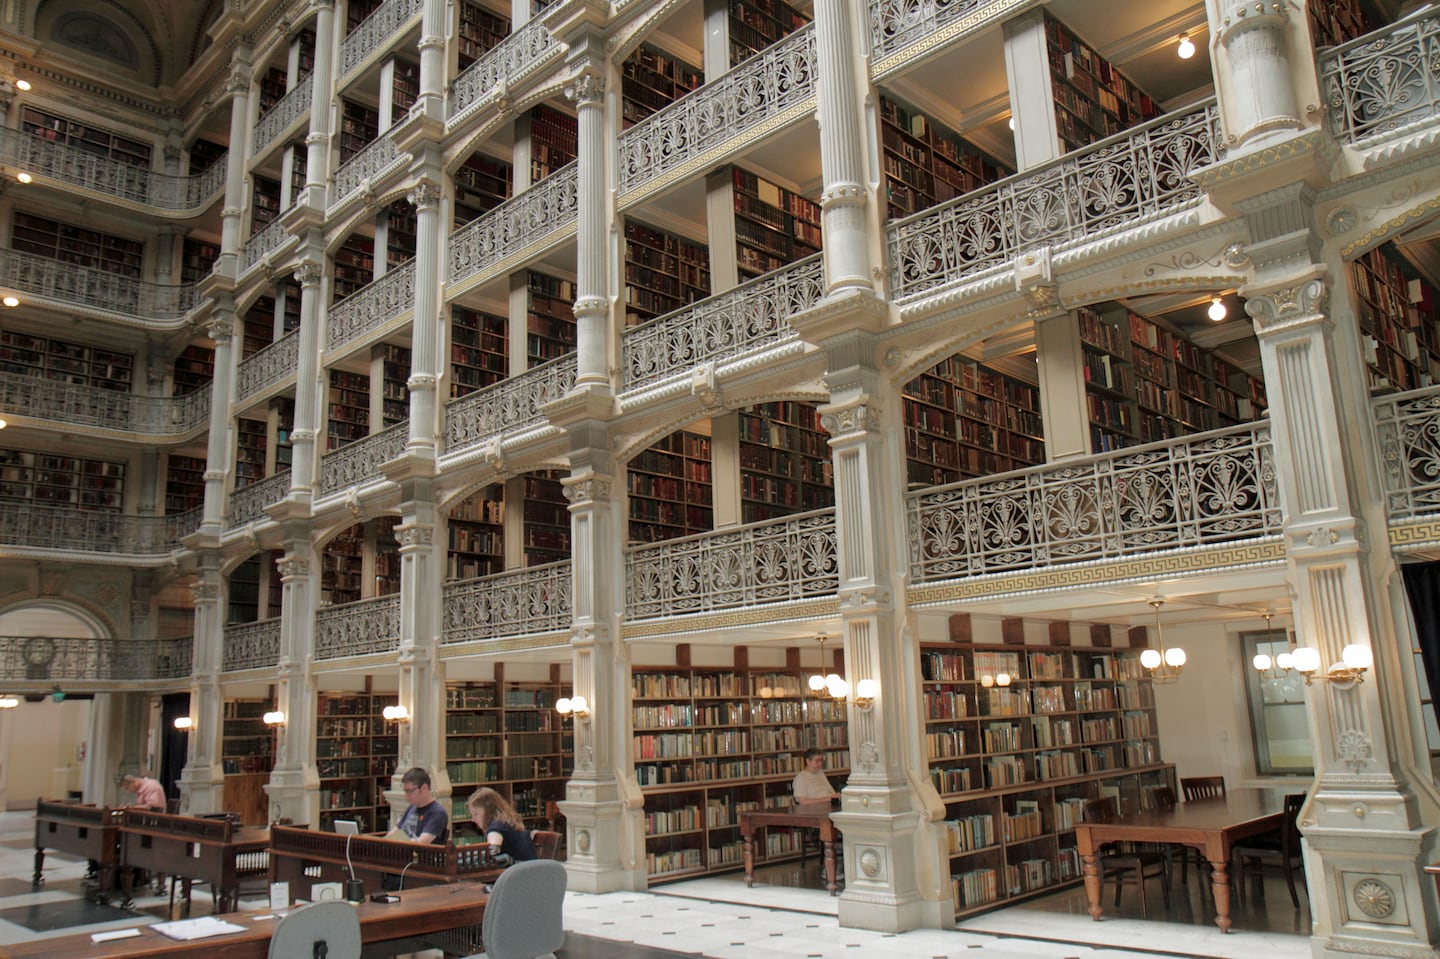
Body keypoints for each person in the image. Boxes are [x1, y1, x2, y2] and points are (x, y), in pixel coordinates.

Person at [465, 787, 537, 861]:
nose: (473, 819)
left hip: (518, 870)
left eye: (476, 814)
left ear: (488, 811)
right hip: (531, 868)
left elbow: (493, 849)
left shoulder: (496, 827)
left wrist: (472, 854)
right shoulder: (509, 821)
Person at [385, 767, 448, 844]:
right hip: (403, 851)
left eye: (410, 791)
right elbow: (395, 832)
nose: (406, 795)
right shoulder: (411, 808)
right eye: (405, 791)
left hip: (421, 854)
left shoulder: (437, 813)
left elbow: (421, 843)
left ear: (424, 788)